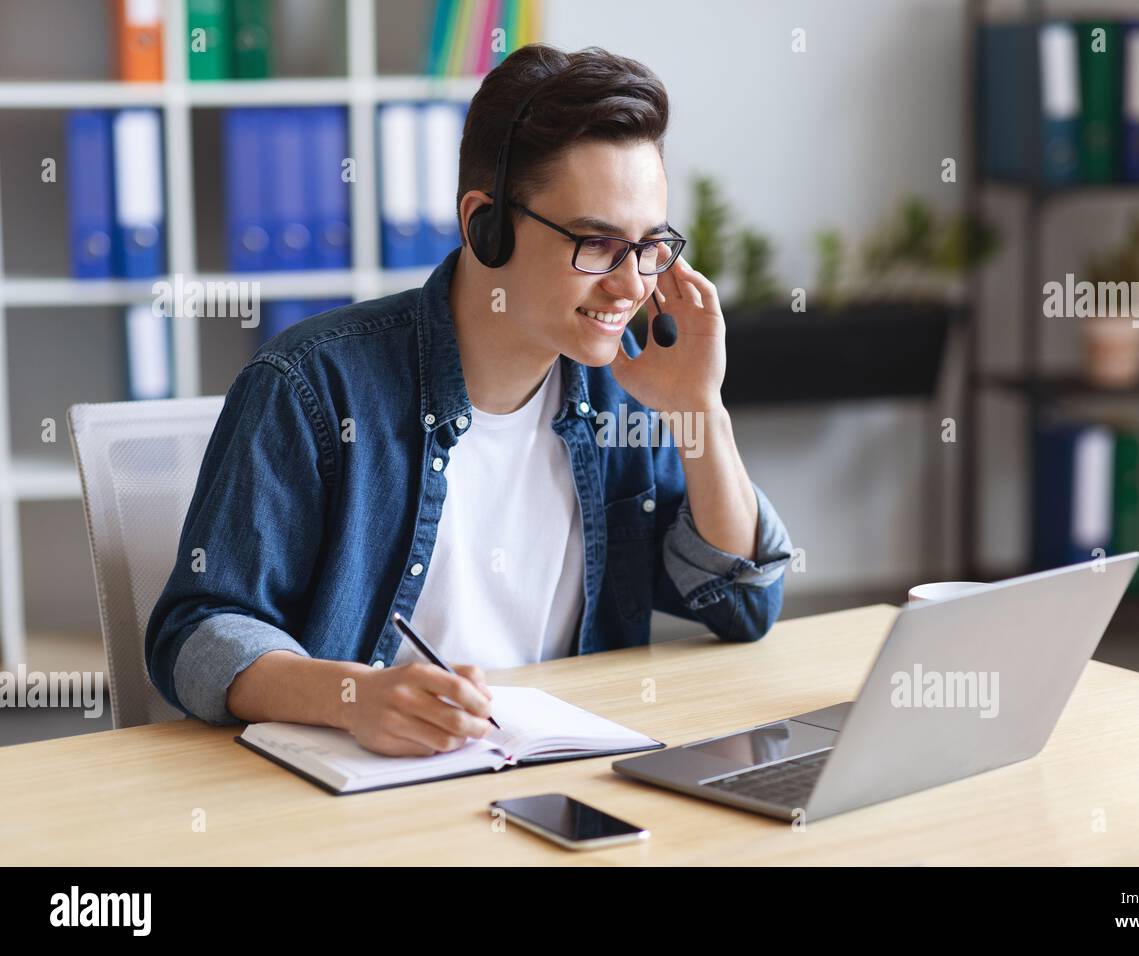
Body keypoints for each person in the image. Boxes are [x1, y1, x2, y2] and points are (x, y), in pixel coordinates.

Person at [146, 43, 793, 756]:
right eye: (598, 244)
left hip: (561, 779)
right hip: (358, 799)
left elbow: (740, 602)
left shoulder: (623, 394)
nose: (633, 284)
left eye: (650, 245)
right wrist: (355, 697)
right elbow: (196, 633)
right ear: (484, 224)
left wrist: (699, 409)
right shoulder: (313, 386)